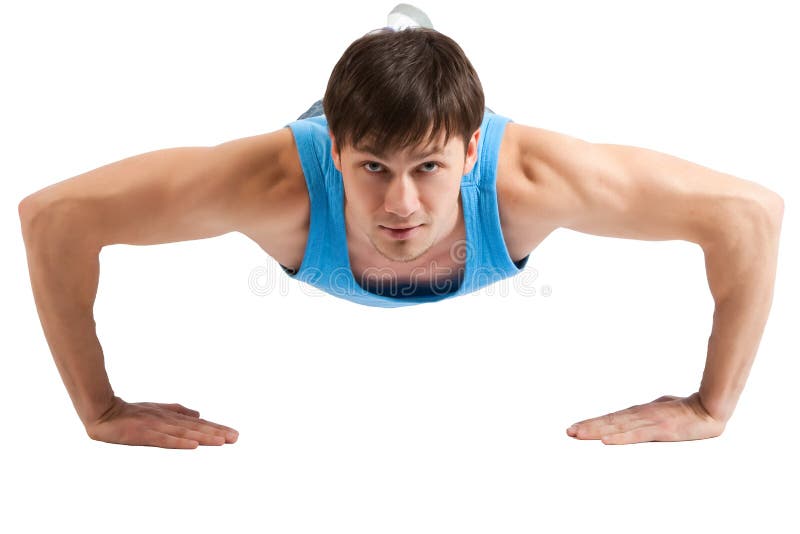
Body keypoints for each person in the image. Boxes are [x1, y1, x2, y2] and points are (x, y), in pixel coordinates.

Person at [17, 4, 784, 449]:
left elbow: (749, 214)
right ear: (337, 151)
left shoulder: (534, 183)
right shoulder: (272, 186)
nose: (402, 209)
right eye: (373, 169)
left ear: (473, 150)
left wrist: (711, 408)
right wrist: (101, 410)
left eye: (429, 168)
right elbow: (52, 218)